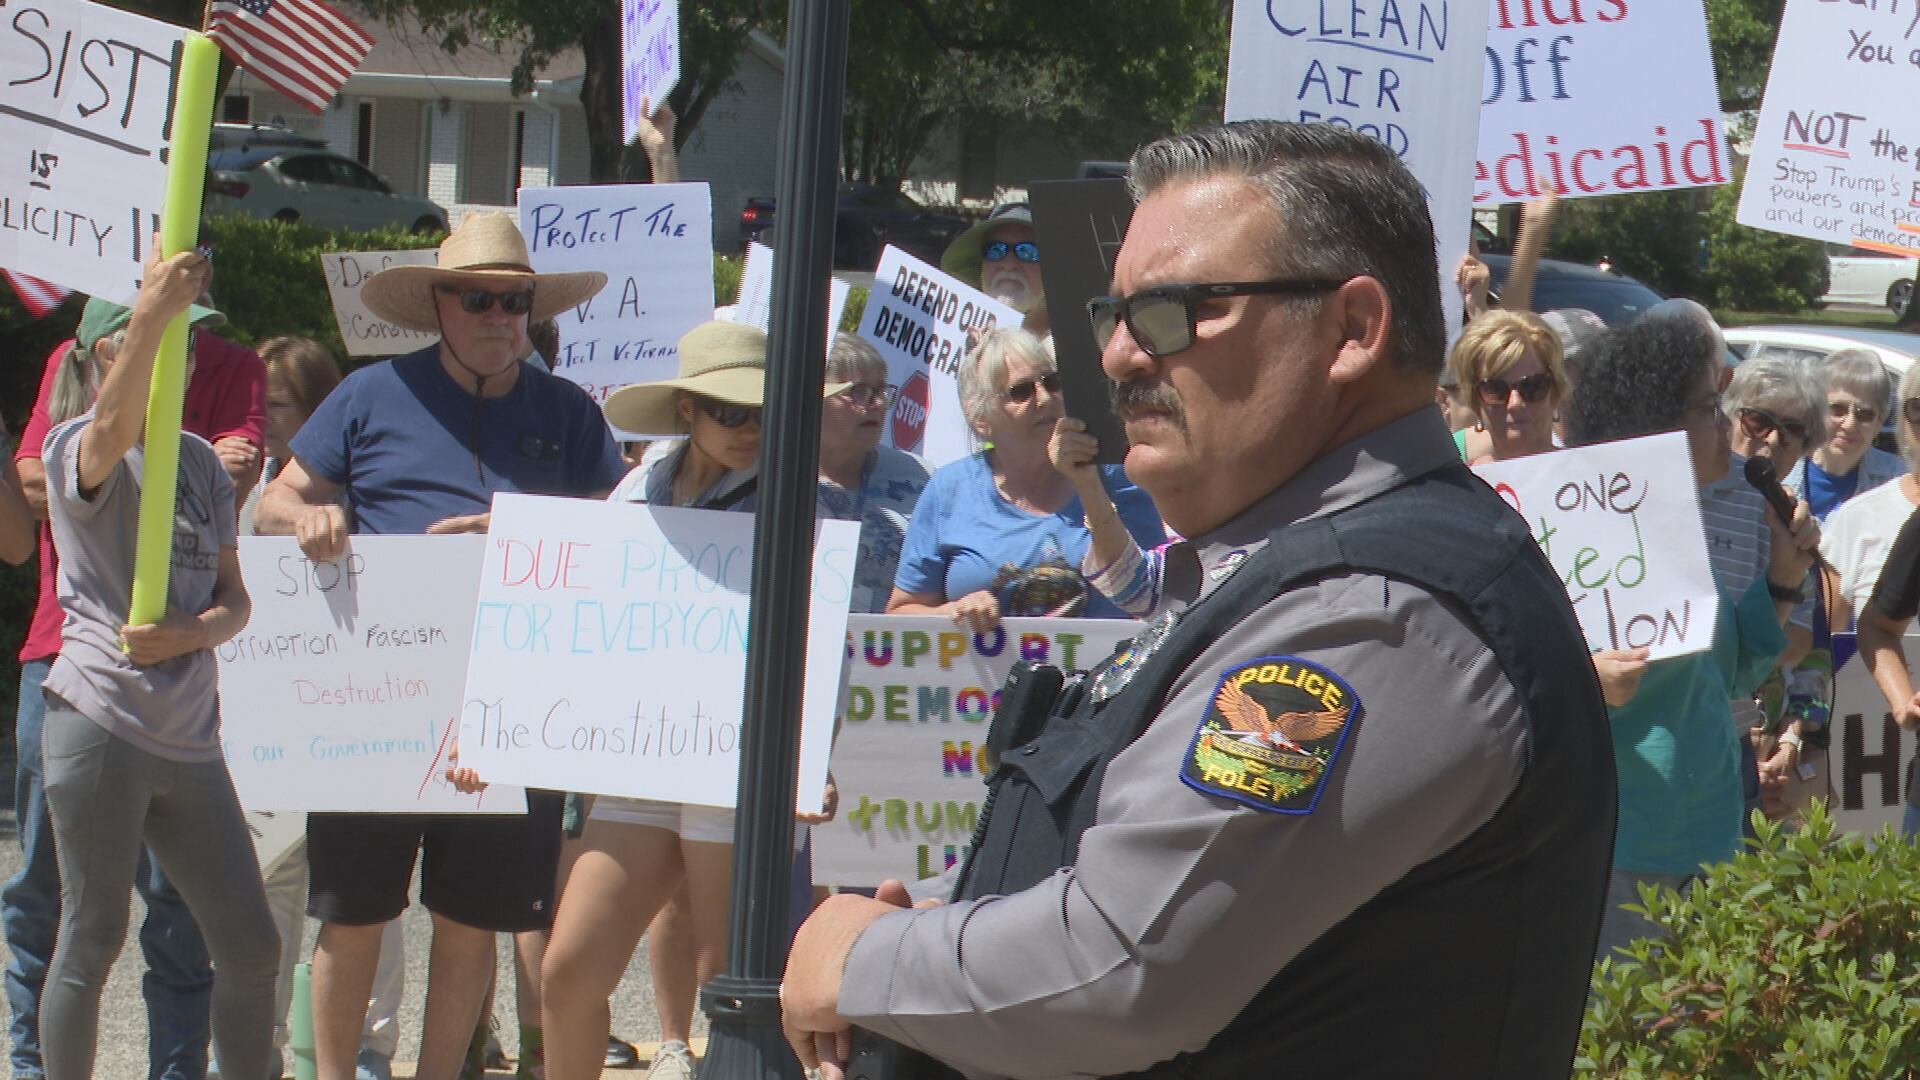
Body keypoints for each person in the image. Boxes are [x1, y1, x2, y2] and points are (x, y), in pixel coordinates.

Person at [782, 120, 1616, 1078]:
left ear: (1352, 329)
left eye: (1175, 313)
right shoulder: (1299, 568)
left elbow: (1123, 963)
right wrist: (958, 931)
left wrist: (855, 955)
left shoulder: (1375, 614)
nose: (1121, 358)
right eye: (1114, 315)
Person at [254, 212, 627, 1080]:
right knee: (352, 913)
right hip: (377, 697)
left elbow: (622, 531)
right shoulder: (368, 393)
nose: (498, 316)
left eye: (515, 301)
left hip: (513, 695)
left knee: (474, 921)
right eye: (478, 298)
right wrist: (307, 515)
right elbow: (278, 499)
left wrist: (527, 528)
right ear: (439, 304)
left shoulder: (568, 411)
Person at [524, 321, 800, 1080]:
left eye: (761, 413)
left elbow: (820, 632)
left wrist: (814, 754)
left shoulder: (797, 500)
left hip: (733, 761)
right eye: (730, 412)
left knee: (732, 986)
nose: (749, 430)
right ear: (688, 412)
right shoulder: (635, 488)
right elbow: (577, 614)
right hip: (641, 758)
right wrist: (502, 728)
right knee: (568, 969)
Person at [7, 292, 265, 1080]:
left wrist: (196, 632)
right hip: (99, 717)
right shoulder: (77, 445)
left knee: (251, 942)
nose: (182, 360)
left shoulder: (198, 461)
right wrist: (152, 306)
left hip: (189, 735)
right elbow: (115, 429)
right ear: (109, 356)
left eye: (192, 347)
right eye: (162, 343)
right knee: (91, 935)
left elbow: (235, 597)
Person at [1563, 314, 1818, 960]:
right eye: (1711, 408)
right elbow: (1518, 685)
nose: (1726, 429)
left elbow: (1732, 673)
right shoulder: (1584, 533)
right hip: (1628, 846)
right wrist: (1586, 679)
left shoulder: (1681, 527)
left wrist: (1784, 578)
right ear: (1662, 424)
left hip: (1712, 830)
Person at [886, 327, 1163, 631]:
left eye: (1051, 382)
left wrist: (1087, 483)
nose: (1044, 399)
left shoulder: (1114, 475)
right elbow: (900, 611)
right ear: (980, 418)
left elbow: (1158, 595)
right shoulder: (948, 489)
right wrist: (957, 611)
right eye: (1021, 392)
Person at [1823, 361, 1920, 839]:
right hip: (1866, 768)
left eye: (1863, 412)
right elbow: (1836, 637)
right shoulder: (1861, 518)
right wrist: (1904, 703)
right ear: (1904, 422)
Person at [816, 333, 932, 614]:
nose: (877, 403)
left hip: (891, 649)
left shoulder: (922, 476)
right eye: (857, 391)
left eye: (881, 392)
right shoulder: (768, 478)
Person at [1784, 348, 1903, 521]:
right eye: (1838, 409)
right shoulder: (1781, 469)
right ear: (1816, 410)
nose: (1849, 424)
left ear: (1879, 422)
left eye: (1865, 414)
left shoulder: (1897, 480)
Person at [1444, 309, 1569, 463]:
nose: (1515, 403)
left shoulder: (1593, 479)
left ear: (1555, 392)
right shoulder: (1467, 484)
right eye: (1496, 389)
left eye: (1532, 387)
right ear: (1475, 402)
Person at [941, 204, 1049, 343]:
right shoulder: (950, 342)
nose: (1008, 264)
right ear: (981, 268)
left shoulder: (1073, 352)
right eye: (995, 249)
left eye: (1026, 251)